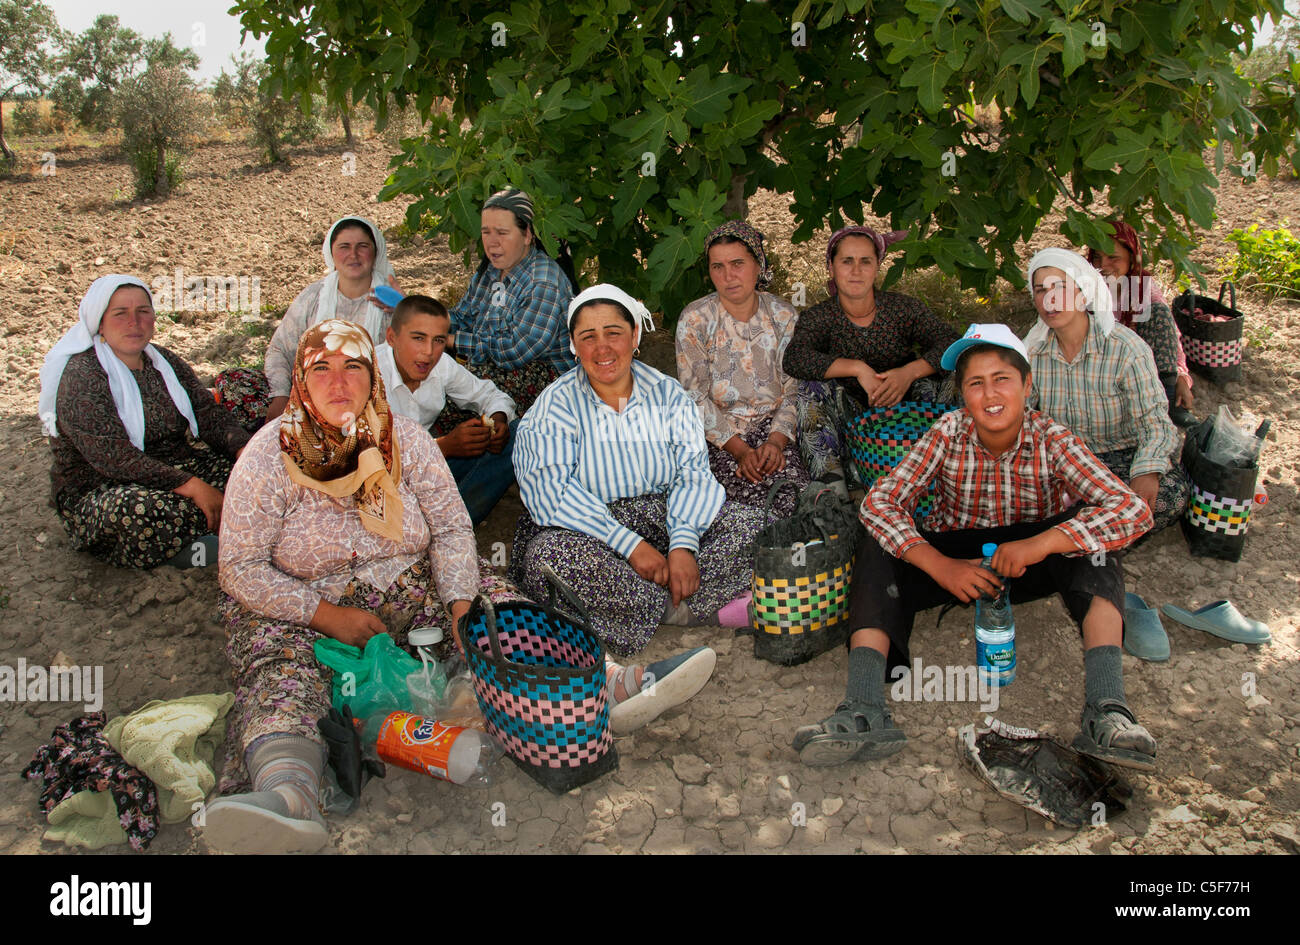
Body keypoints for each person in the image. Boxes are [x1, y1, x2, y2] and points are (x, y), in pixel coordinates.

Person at [793, 324, 1158, 772]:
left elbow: (1132, 509)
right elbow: (881, 501)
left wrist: (1040, 544)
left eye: (1002, 379)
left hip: (1028, 560)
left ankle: (1108, 710)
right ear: (961, 394)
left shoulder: (1053, 437)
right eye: (975, 383)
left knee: (1094, 539)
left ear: (1027, 385)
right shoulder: (948, 430)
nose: (990, 394)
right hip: (958, 560)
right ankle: (863, 708)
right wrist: (941, 565)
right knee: (879, 539)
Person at [512, 285, 767, 714]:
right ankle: (690, 607)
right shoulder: (553, 407)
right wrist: (630, 546)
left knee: (752, 524)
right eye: (587, 336)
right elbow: (548, 493)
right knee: (547, 559)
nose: (602, 347)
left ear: (634, 335)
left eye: (613, 332)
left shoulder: (668, 395)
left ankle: (657, 600)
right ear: (573, 346)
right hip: (589, 531)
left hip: (664, 515)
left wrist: (683, 543)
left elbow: (693, 473)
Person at [39, 275, 250, 569]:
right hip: (106, 487)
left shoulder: (164, 362)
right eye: (120, 313)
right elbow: (114, 458)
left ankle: (217, 528)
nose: (134, 322)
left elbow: (208, 414)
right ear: (99, 322)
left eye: (143, 311)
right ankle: (195, 546)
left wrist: (246, 454)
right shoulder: (82, 376)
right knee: (137, 510)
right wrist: (194, 487)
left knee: (252, 480)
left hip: (177, 466)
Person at [1024, 248, 1190, 533]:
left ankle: (1073, 535)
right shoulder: (1032, 351)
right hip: (1064, 462)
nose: (1049, 299)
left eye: (1060, 288)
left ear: (1083, 292)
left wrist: (1146, 471)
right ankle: (1098, 534)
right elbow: (1023, 418)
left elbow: (1155, 421)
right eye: (1041, 290)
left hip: (1122, 457)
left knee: (1167, 497)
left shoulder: (1125, 348)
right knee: (1017, 496)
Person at [781, 225, 959, 489]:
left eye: (865, 261)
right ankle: (834, 489)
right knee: (810, 387)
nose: (856, 271)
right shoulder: (820, 317)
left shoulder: (901, 309)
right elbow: (795, 358)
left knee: (954, 372)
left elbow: (953, 342)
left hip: (909, 414)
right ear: (831, 267)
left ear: (877, 267)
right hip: (851, 420)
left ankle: (945, 466)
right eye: (846, 261)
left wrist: (908, 373)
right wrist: (857, 368)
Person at [676, 220, 810, 518]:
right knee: (732, 510)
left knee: (792, 500)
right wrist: (740, 451)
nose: (728, 276)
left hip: (775, 431)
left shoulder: (783, 316)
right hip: (719, 437)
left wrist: (775, 442)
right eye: (717, 267)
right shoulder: (695, 320)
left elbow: (795, 390)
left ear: (758, 265)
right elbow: (695, 397)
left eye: (738, 263)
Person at [217, 216, 401, 428]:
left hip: (366, 397)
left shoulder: (390, 301)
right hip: (311, 392)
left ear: (375, 252)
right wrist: (280, 396)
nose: (353, 255)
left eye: (362, 246)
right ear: (331, 254)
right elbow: (280, 349)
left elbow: (413, 359)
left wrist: (406, 310)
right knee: (232, 380)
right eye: (344, 247)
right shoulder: (313, 297)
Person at [439, 188, 576, 431]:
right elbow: (462, 316)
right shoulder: (491, 272)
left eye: (502, 232)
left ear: (527, 235)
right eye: (486, 232)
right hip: (494, 365)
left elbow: (514, 351)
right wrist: (427, 322)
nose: (492, 242)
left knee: (448, 404)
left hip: (546, 380)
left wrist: (450, 340)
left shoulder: (543, 281)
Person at [376, 293, 518, 525]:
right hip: (384, 482)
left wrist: (498, 421)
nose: (429, 351)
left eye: (439, 340)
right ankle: (437, 525)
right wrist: (443, 447)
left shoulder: (440, 365)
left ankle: (445, 522)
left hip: (426, 472)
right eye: (418, 338)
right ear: (392, 337)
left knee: (517, 433)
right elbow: (367, 456)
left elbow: (489, 395)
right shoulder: (366, 374)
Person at [1087, 220, 1196, 427]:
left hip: (1139, 369)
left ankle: (1169, 398)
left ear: (1131, 259)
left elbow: (1169, 333)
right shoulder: (1084, 289)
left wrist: (1181, 377)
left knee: (1158, 313)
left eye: (1113, 258)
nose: (1103, 266)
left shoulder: (1142, 288)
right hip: (1098, 369)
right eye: (1097, 258)